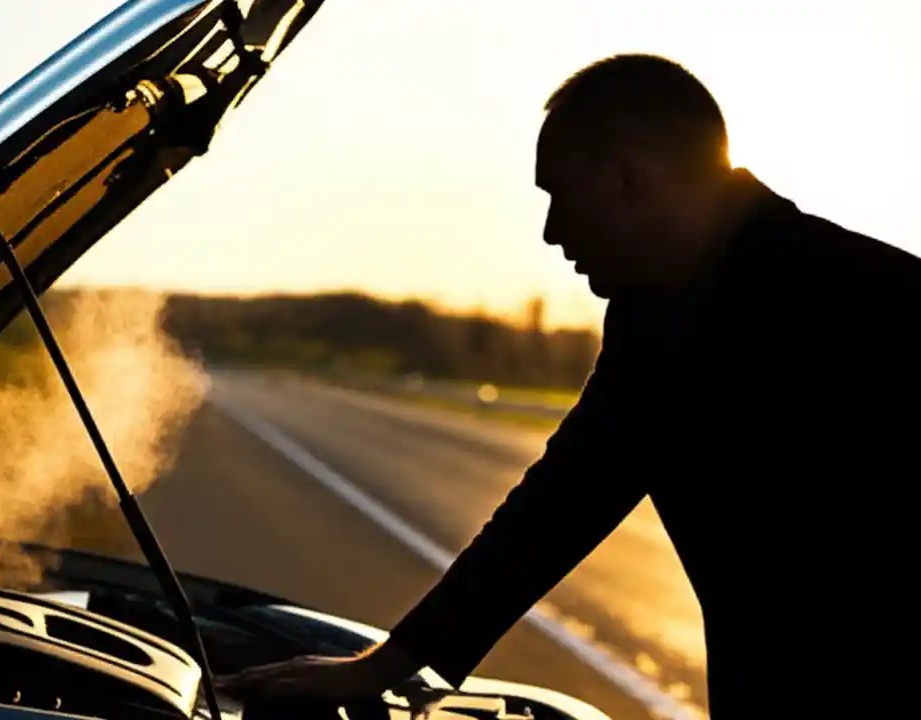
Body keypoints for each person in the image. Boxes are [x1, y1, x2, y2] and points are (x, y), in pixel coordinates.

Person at [218, 54, 921, 716]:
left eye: (559, 195)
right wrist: (381, 667)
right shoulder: (654, 312)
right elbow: (562, 503)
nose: (553, 233)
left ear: (626, 178)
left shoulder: (874, 303)